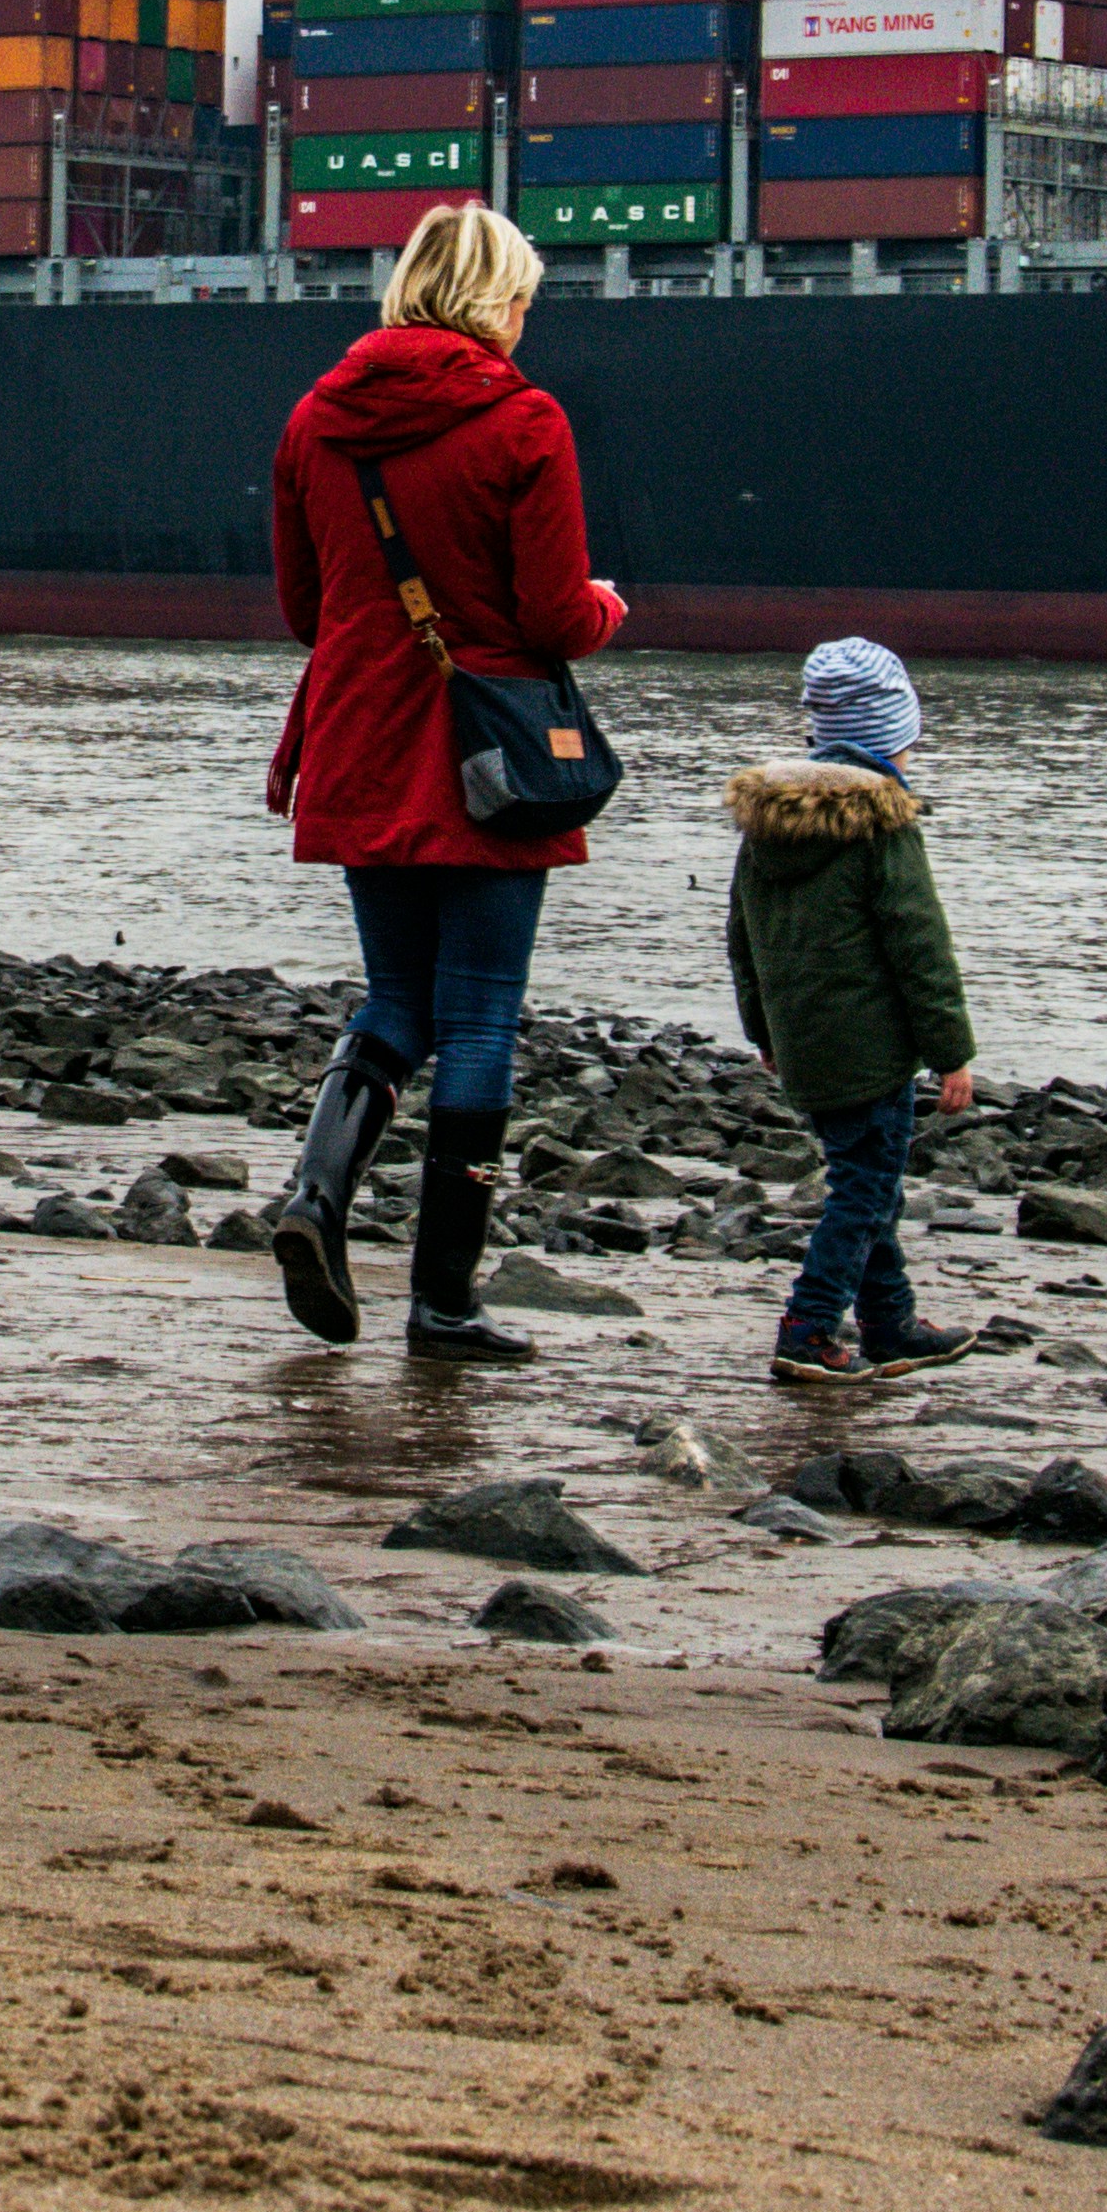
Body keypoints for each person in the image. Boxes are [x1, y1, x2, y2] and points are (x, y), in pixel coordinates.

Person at [260, 197, 625, 1362]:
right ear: (495, 300)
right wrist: (609, 608)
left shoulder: (317, 419)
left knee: (394, 1003)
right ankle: (445, 1304)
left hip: (363, 738)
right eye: (522, 296)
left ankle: (315, 1201)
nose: (526, 318)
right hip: (486, 760)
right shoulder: (523, 419)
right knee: (478, 1021)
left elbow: (304, 609)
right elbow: (552, 614)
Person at [725, 635, 983, 1388]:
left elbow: (742, 936)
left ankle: (890, 1323)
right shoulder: (884, 824)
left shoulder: (767, 823)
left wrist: (762, 1032)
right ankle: (808, 1329)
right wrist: (952, 1052)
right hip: (871, 1048)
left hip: (804, 1043)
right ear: (899, 734)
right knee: (864, 1191)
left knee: (869, 1182)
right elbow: (919, 945)